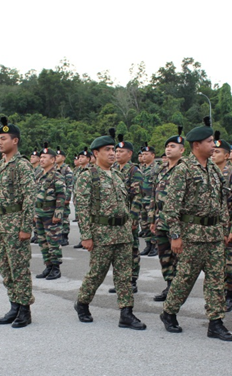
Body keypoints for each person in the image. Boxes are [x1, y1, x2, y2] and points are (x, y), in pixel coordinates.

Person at [160, 117, 232, 341]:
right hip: (192, 235)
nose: (214, 145)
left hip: (214, 235)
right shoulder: (183, 170)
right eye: (209, 141)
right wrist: (175, 236)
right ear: (196, 145)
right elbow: (171, 206)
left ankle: (216, 322)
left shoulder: (213, 169)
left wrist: (224, 229)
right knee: (184, 278)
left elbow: (222, 201)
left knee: (216, 280)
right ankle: (169, 312)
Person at [73, 128, 145, 330]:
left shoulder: (117, 174)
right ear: (96, 153)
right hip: (102, 233)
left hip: (123, 232)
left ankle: (126, 313)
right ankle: (82, 303)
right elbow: (82, 208)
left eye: (113, 149)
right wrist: (86, 236)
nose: (112, 153)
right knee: (97, 273)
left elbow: (126, 203)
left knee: (124, 275)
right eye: (108, 150)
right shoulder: (88, 176)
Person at [0, 117, 36, 328]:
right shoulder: (0, 165)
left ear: (15, 140)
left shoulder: (21, 165)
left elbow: (29, 197)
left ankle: (25, 309)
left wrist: (26, 227)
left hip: (15, 224)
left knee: (19, 268)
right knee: (5, 268)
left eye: (4, 138)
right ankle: (14, 305)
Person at [148, 128, 186, 302]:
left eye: (173, 146)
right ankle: (170, 285)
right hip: (161, 222)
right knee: (164, 257)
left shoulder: (185, 170)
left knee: (179, 258)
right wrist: (152, 219)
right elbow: (154, 196)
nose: (168, 149)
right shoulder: (162, 170)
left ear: (182, 150)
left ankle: (178, 290)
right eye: (167, 146)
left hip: (177, 222)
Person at [212, 132, 232, 313]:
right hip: (213, 229)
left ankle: (229, 294)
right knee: (214, 265)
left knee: (229, 265)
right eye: (212, 151)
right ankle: (217, 296)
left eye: (217, 152)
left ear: (226, 155)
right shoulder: (209, 174)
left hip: (228, 229)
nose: (213, 154)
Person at [110, 135, 143, 293]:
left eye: (121, 151)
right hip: (115, 217)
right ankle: (121, 281)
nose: (117, 154)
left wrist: (133, 218)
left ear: (129, 154)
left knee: (131, 249)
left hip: (128, 217)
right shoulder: (113, 170)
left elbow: (138, 196)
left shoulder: (134, 171)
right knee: (118, 252)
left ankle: (132, 280)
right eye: (116, 151)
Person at [34, 143, 66, 280]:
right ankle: (48, 266)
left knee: (53, 242)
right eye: (41, 157)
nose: (41, 160)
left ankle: (56, 268)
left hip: (51, 214)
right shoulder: (39, 175)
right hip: (40, 213)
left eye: (44, 157)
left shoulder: (56, 176)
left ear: (52, 160)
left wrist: (57, 214)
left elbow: (61, 196)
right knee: (42, 242)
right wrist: (34, 213)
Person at [55, 149, 74, 246]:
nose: (56, 158)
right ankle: (58, 235)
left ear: (63, 158)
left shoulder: (67, 170)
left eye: (58, 156)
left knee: (64, 217)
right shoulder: (54, 168)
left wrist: (67, 197)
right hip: (56, 197)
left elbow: (70, 185)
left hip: (63, 196)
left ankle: (65, 236)